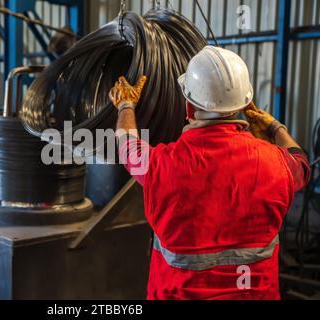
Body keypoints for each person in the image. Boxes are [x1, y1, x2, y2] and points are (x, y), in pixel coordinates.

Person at [109, 46, 311, 300]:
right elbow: (301, 163)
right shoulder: (277, 164)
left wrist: (126, 106)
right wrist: (273, 127)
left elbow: (127, 148)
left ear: (189, 109)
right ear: (242, 105)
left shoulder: (162, 166)